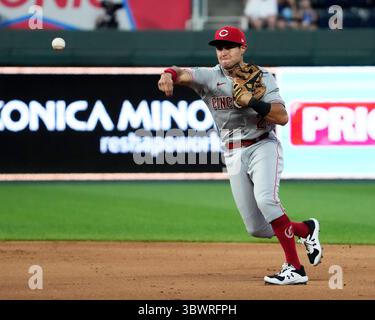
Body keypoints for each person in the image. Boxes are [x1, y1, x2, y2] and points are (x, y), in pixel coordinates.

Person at [158, 26, 323, 285]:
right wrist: (168, 74)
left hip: (262, 145)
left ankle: (295, 269)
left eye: (229, 46)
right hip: (233, 153)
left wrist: (253, 101)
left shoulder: (262, 78)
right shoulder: (209, 77)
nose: (223, 52)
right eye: (219, 47)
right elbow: (182, 73)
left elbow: (282, 117)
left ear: (242, 48)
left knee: (267, 201)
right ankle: (305, 229)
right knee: (256, 228)